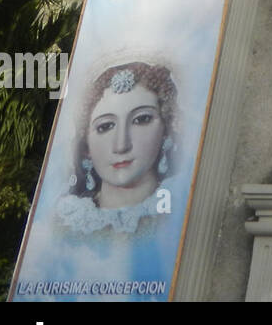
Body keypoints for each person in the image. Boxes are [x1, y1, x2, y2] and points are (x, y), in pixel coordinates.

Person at [55, 61, 179, 236]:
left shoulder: (180, 205)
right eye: (105, 127)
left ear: (165, 131)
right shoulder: (65, 222)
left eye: (141, 119)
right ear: (86, 148)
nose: (121, 145)